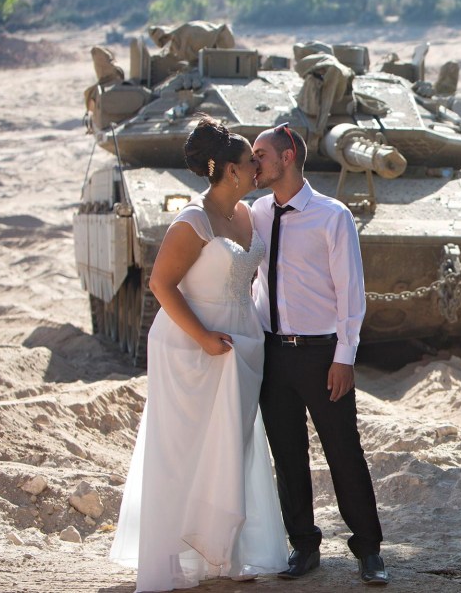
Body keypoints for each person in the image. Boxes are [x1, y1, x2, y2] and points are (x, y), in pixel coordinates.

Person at [109, 115, 288, 591]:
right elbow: (160, 285)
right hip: (190, 346)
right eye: (251, 161)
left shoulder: (248, 216)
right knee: (184, 451)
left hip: (241, 344)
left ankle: (223, 556)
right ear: (231, 170)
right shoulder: (192, 220)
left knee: (234, 444)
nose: (257, 168)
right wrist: (205, 338)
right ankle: (172, 560)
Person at [250, 122, 389, 585]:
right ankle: (303, 546)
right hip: (272, 354)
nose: (255, 164)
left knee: (343, 452)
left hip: (322, 354)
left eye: (260, 155)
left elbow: (352, 291)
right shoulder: (257, 213)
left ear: (287, 157)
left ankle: (369, 550)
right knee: (287, 455)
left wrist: (344, 357)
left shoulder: (332, 215)